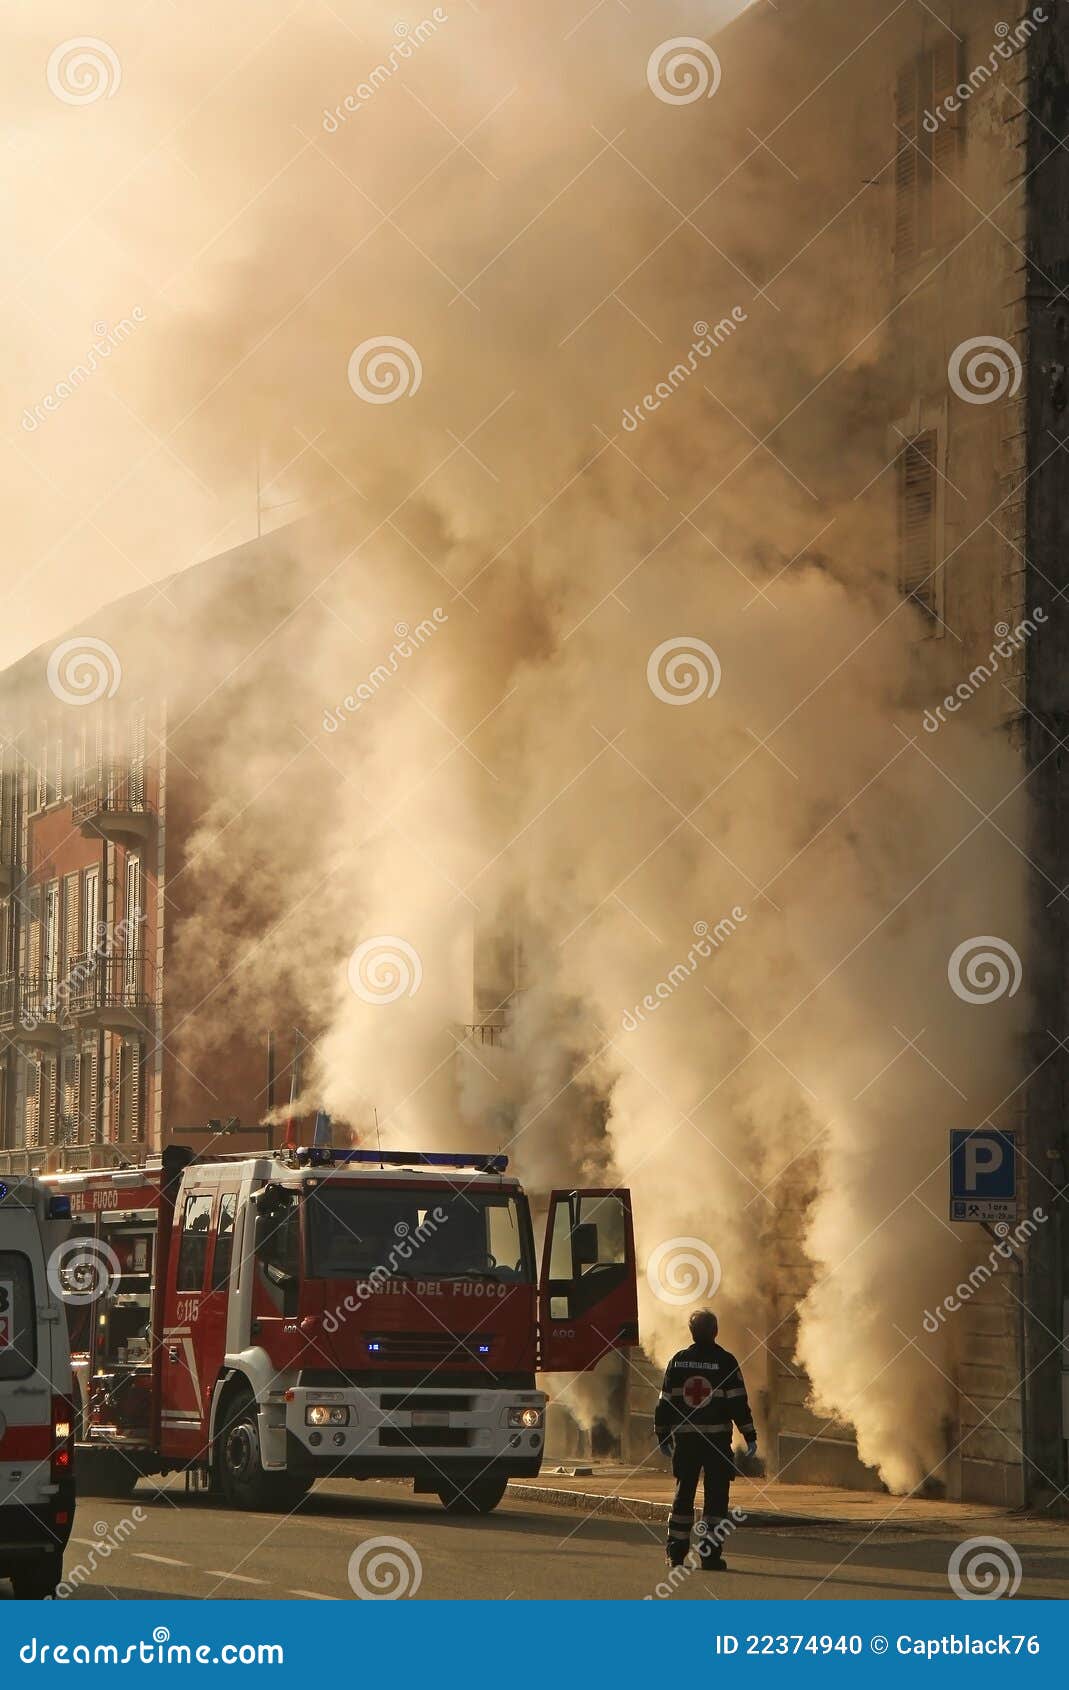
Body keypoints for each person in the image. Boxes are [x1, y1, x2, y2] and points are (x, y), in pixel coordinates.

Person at [654, 1308, 757, 1571]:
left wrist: (662, 1434)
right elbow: (738, 1403)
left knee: (683, 1495)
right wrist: (749, 1434)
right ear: (715, 1331)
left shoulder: (678, 1361)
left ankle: (676, 1554)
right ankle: (710, 1556)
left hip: (686, 1443)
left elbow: (665, 1402)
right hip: (717, 1444)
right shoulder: (725, 1361)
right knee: (716, 1499)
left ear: (691, 1332)